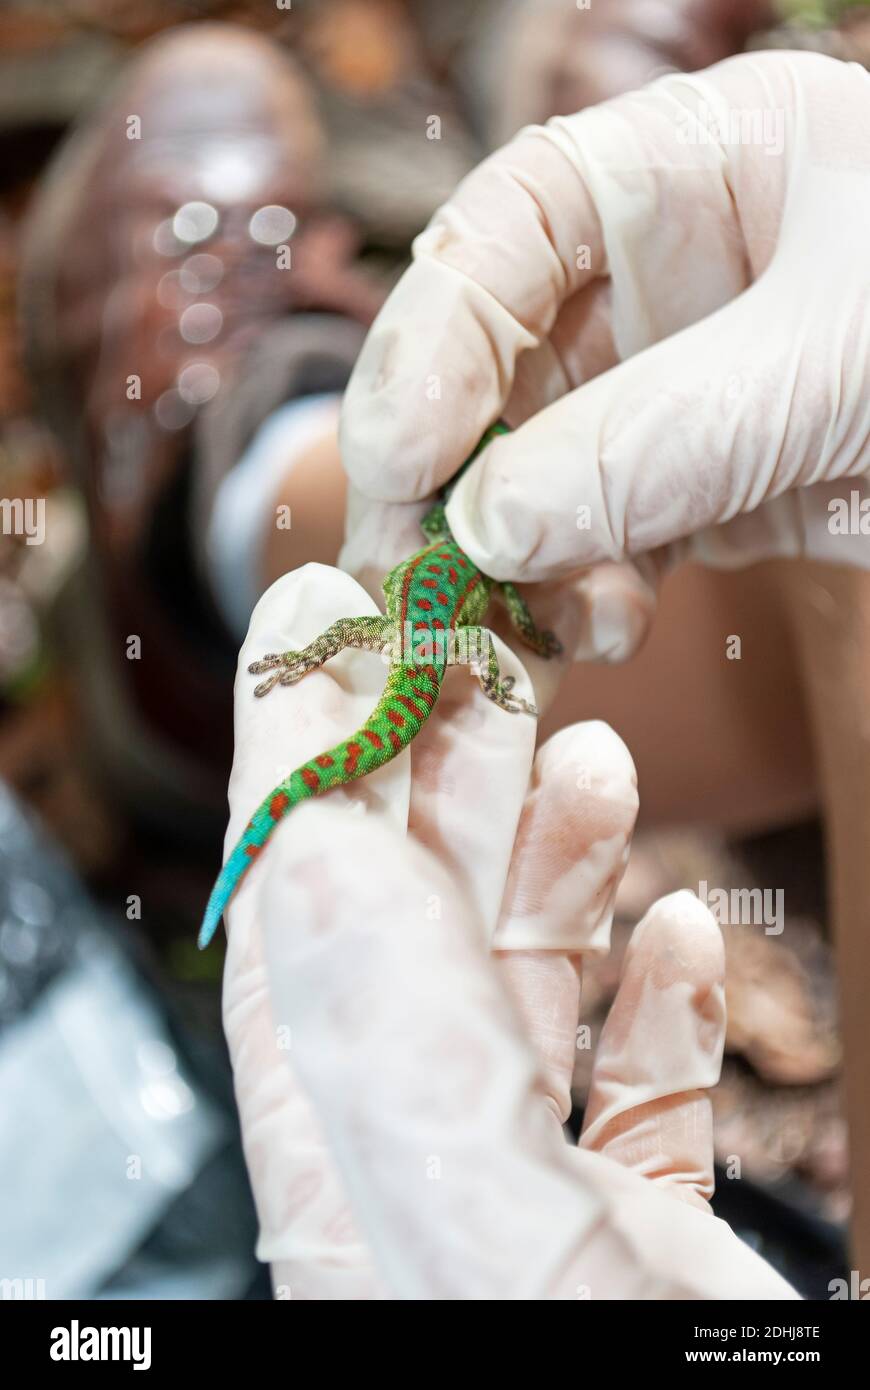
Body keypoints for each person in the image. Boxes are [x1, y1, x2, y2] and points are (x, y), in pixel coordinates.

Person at [220, 48, 869, 1295]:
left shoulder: (454, 579)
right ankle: (238, 523)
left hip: (417, 630)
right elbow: (504, 586)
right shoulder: (471, 587)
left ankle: (240, 493)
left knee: (357, 647)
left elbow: (489, 578)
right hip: (438, 634)